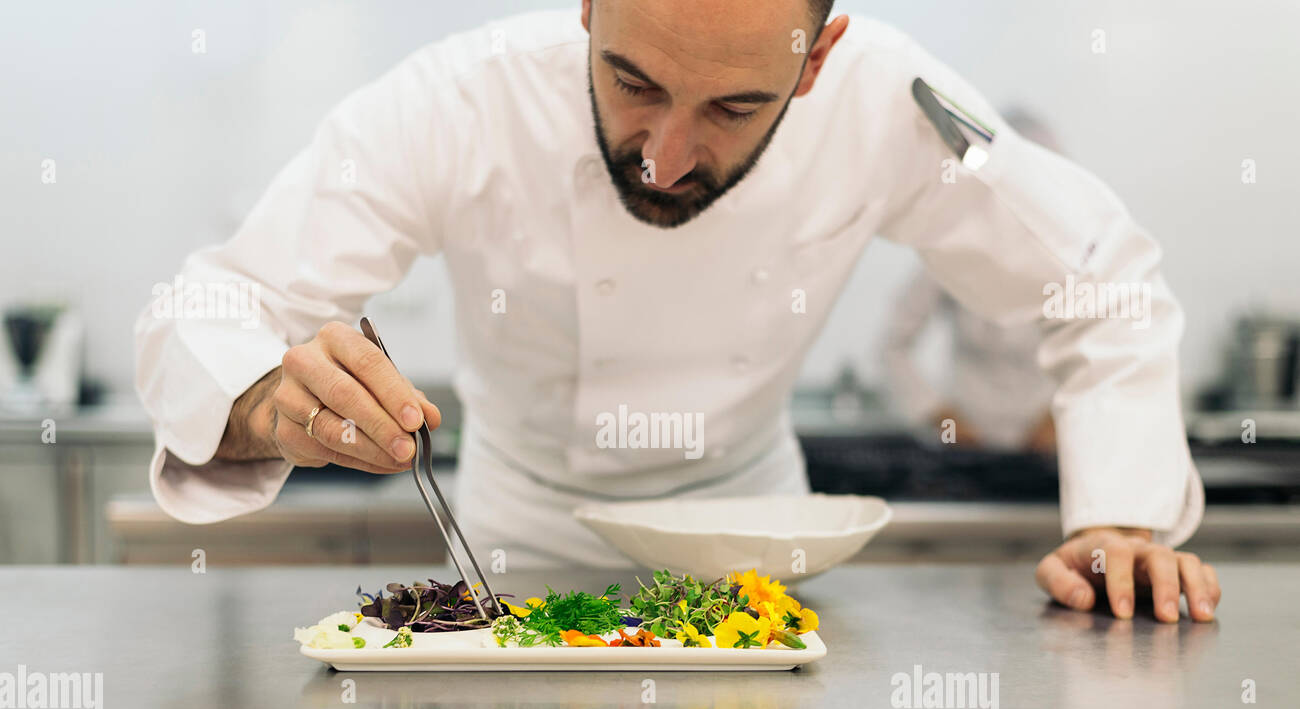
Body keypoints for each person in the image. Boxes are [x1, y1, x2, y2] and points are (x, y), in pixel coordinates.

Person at [134, 1, 1220, 623]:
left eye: (733, 107)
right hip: (518, 559)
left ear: (815, 60)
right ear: (587, 10)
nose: (664, 156)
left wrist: (1120, 522)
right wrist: (262, 397)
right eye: (633, 83)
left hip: (755, 559)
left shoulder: (889, 100)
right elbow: (209, 306)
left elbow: (1103, 280)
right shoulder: (460, 101)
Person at [883, 111, 1062, 454]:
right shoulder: (948, 247)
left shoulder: (1072, 258)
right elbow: (892, 346)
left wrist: (1059, 417)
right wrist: (940, 416)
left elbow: (1103, 353)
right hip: (966, 451)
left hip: (1048, 453)